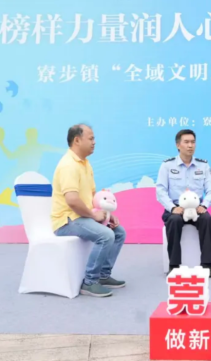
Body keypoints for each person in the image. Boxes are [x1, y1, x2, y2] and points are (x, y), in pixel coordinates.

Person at [51, 124, 126, 298]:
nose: (94, 142)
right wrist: (93, 215)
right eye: (91, 138)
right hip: (66, 221)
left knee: (119, 232)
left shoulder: (85, 163)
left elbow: (92, 196)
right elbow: (72, 200)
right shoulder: (69, 165)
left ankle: (103, 275)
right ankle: (90, 282)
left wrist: (106, 215)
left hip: (81, 217)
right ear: (77, 140)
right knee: (106, 235)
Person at [156, 129, 211, 277]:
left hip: (197, 208)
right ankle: (174, 265)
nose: (190, 145)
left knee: (207, 219)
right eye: (186, 142)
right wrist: (172, 208)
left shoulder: (203, 165)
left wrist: (204, 205)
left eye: (193, 142)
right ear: (178, 145)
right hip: (175, 207)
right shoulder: (167, 165)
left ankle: (207, 264)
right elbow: (160, 191)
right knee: (174, 221)